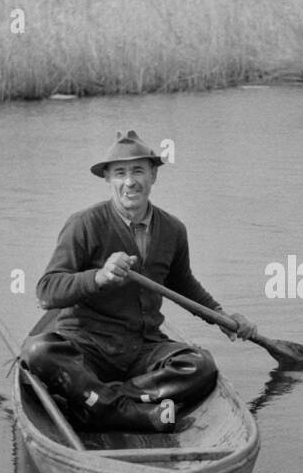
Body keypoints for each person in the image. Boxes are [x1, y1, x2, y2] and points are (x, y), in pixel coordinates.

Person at [23, 131, 256, 432]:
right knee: (37, 352)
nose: (130, 182)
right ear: (108, 178)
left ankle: (100, 403)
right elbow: (47, 292)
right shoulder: (84, 224)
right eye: (120, 173)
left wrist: (222, 318)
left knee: (201, 366)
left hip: (141, 347)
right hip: (86, 346)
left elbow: (182, 284)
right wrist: (99, 276)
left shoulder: (173, 230)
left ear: (153, 175)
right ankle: (127, 408)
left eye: (138, 171)